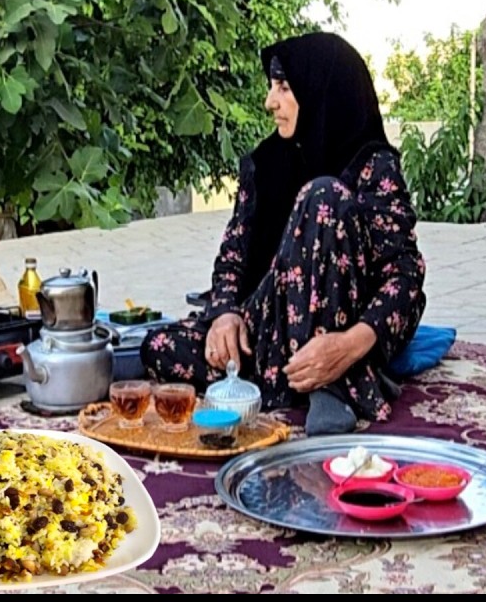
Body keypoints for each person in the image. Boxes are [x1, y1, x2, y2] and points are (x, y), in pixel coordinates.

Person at [139, 31, 427, 436]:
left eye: (284, 87)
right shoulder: (264, 162)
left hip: (343, 328)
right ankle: (292, 380)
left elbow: (405, 277)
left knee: (321, 195)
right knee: (159, 347)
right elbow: (233, 256)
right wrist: (225, 313)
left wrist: (351, 344)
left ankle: (332, 384)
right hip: (271, 322)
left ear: (320, 89)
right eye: (272, 86)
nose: (270, 101)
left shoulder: (371, 166)